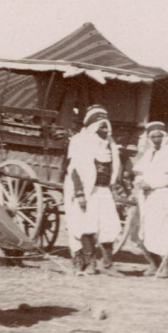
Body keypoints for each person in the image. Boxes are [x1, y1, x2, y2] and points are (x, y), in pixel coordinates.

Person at [63, 105, 123, 275]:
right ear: (93, 127)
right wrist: (79, 193)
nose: (105, 129)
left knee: (108, 226)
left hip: (103, 190)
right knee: (86, 226)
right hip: (85, 191)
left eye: (107, 126)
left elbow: (114, 166)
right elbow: (73, 170)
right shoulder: (80, 141)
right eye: (101, 126)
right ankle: (89, 263)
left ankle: (108, 264)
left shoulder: (110, 144)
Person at [132, 121, 168, 277]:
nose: (156, 139)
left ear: (164, 136)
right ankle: (154, 263)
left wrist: (152, 184)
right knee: (147, 231)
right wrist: (140, 181)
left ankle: (166, 266)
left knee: (165, 232)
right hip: (148, 197)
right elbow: (139, 171)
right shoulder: (149, 153)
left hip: (164, 196)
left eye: (158, 136)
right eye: (153, 136)